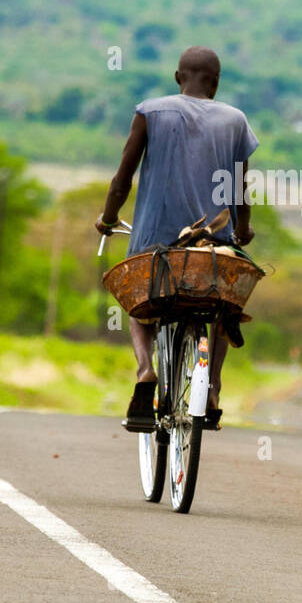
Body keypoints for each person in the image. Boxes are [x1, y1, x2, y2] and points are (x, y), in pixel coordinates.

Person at [95, 46, 257, 432]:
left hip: (156, 242)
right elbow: (239, 190)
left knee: (139, 303)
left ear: (177, 77)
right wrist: (243, 230)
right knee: (222, 306)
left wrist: (108, 217)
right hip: (212, 245)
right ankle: (213, 388)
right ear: (216, 83)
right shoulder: (235, 120)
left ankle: (145, 370)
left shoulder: (150, 111)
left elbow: (123, 178)